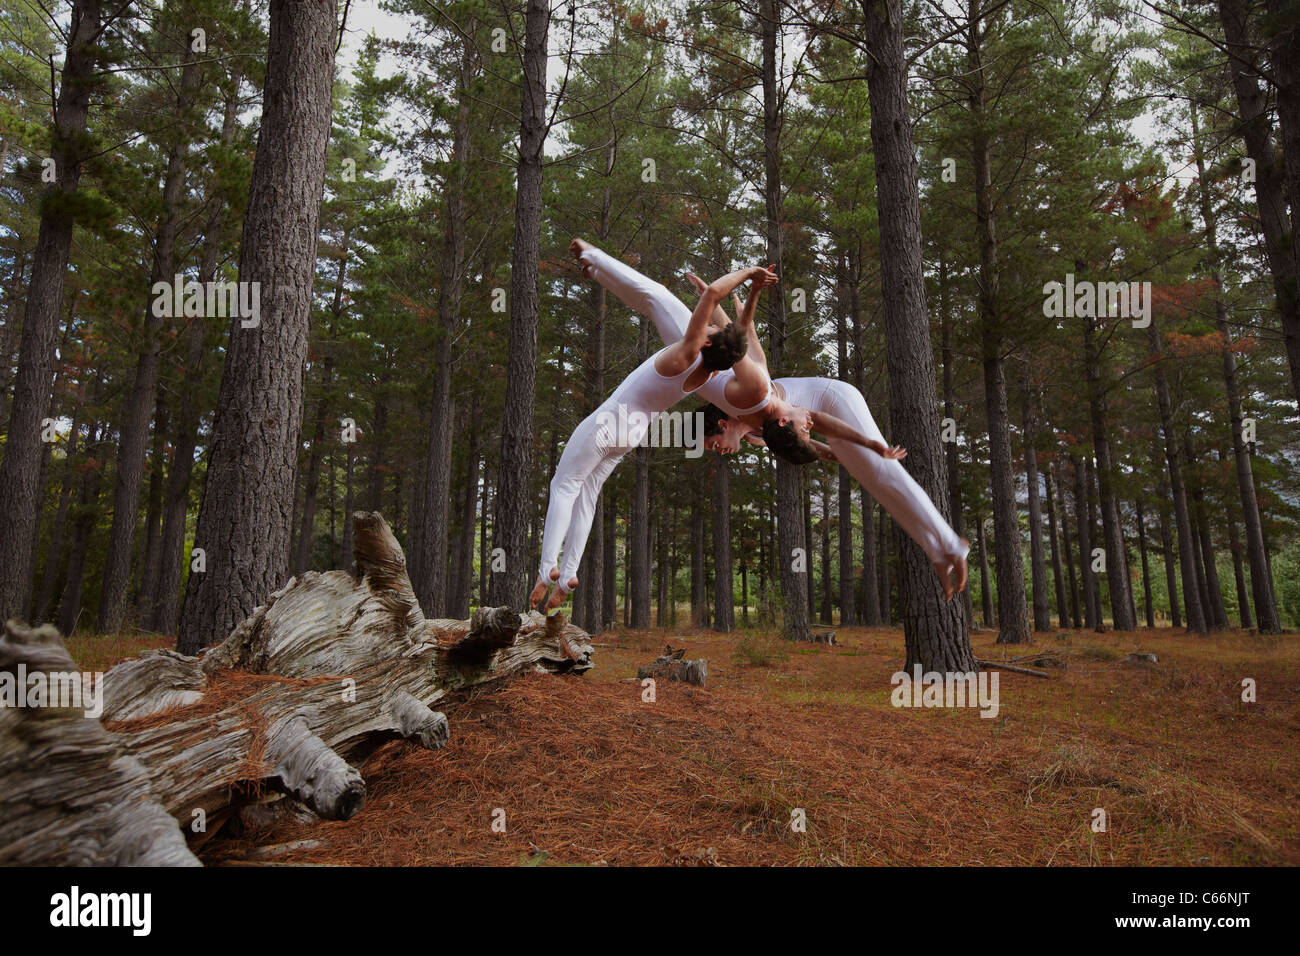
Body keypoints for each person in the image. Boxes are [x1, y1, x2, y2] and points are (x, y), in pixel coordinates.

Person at [573, 239, 969, 599]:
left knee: (878, 469)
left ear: (726, 424)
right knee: (871, 470)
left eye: (711, 444)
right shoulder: (762, 425)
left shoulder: (762, 402)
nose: (808, 424)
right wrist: (851, 449)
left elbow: (746, 340)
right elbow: (810, 431)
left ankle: (946, 544)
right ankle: (938, 546)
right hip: (735, 361)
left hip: (830, 393)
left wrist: (746, 291)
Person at [531, 256, 779, 612]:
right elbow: (737, 336)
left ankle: (546, 571)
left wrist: (749, 274)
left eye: (709, 331)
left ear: (706, 343)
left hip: (610, 422)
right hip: (632, 434)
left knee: (564, 486)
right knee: (587, 497)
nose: (706, 327)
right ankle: (569, 575)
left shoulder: (687, 353)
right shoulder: (709, 376)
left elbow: (711, 295)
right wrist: (752, 294)